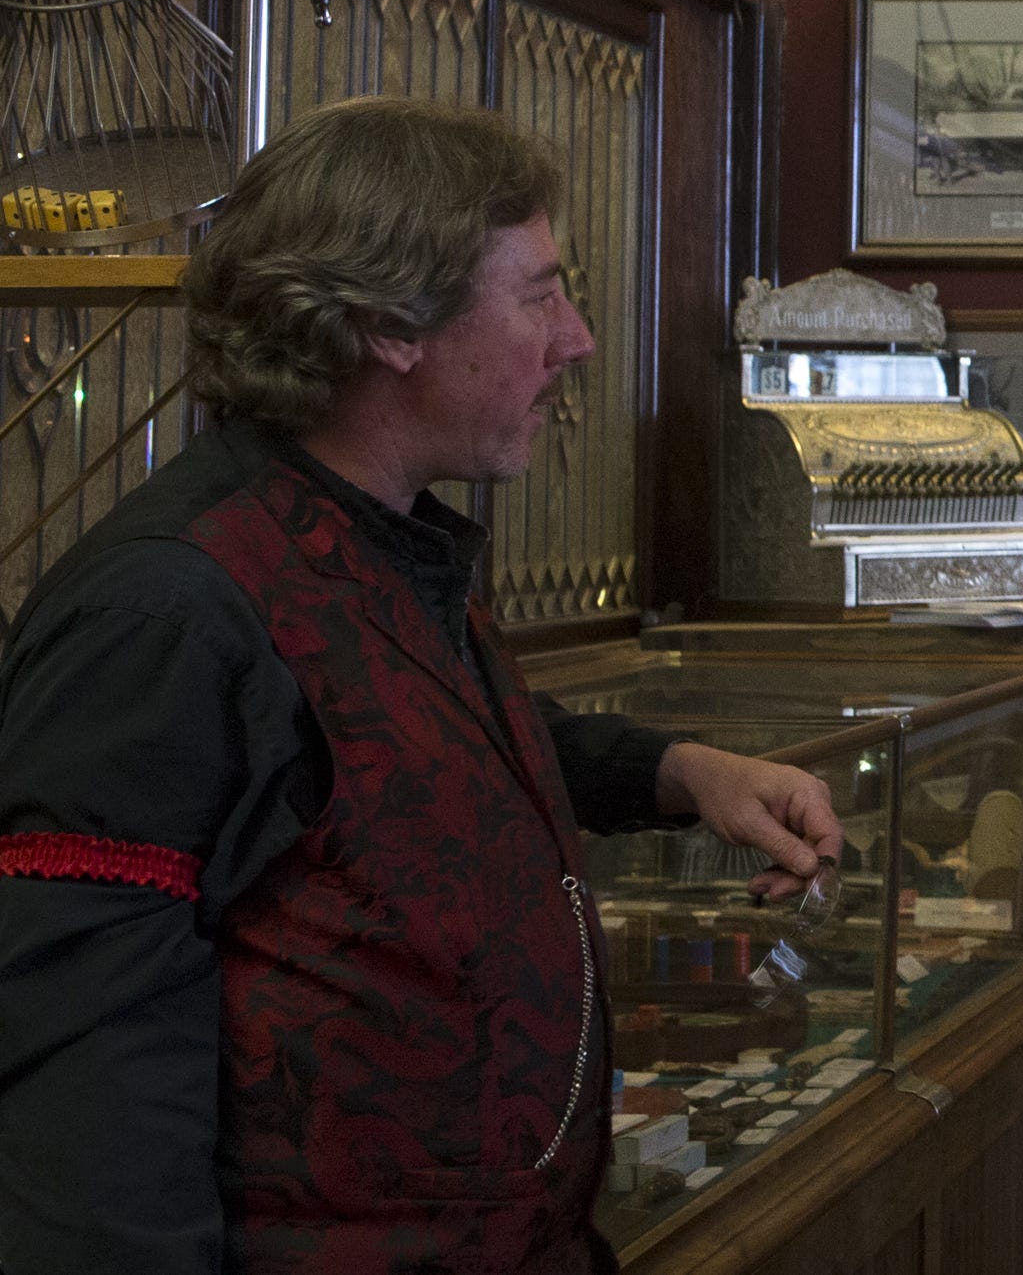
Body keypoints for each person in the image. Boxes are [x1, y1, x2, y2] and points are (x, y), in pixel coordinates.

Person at [0, 97, 843, 1273]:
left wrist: (676, 772)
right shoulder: (164, 610)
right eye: (540, 292)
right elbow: (89, 1110)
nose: (578, 339)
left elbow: (411, 753)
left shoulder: (380, 532)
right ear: (393, 323)